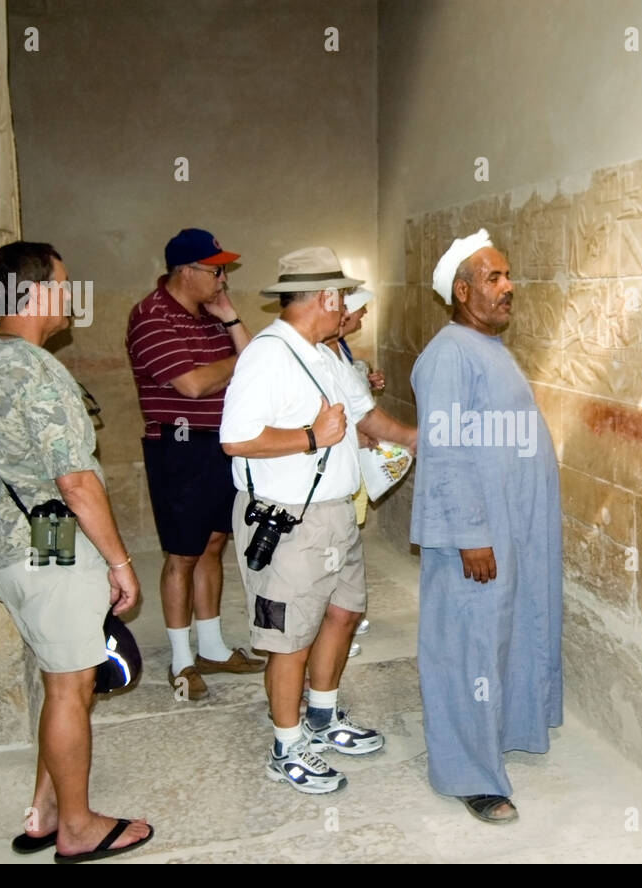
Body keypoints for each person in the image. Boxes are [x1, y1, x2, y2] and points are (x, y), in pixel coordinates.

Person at [0, 240, 153, 862]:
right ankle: (77, 829)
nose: (71, 298)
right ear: (37, 292)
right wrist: (120, 564)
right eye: (64, 285)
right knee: (73, 688)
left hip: (17, 550)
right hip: (53, 554)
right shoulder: (38, 370)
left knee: (63, 680)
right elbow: (75, 482)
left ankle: (45, 811)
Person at [220, 247, 416, 795]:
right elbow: (235, 438)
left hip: (333, 513)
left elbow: (362, 415)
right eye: (344, 298)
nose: (347, 308)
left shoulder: (323, 353)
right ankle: (286, 746)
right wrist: (311, 437)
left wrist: (412, 438)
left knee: (342, 612)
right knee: (288, 637)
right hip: (286, 521)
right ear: (326, 298)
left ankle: (323, 717)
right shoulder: (268, 355)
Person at [410, 229, 563, 824]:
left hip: (511, 526)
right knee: (466, 647)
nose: (509, 287)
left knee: (505, 635)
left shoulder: (487, 347)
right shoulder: (449, 354)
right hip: (477, 535)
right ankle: (468, 775)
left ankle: (499, 735)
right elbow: (445, 455)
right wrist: (471, 535)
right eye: (495, 278)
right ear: (462, 288)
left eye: (507, 276)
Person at [125, 228, 264, 700]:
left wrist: (230, 323)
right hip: (178, 448)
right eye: (215, 270)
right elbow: (192, 385)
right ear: (185, 271)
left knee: (213, 544)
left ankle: (212, 648)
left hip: (218, 444)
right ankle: (181, 662)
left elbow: (255, 367)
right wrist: (238, 358)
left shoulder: (210, 317)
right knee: (182, 554)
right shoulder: (151, 316)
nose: (223, 279)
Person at [324, 287, 397, 658]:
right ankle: (335, 623)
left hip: (348, 462)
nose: (363, 317)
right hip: (335, 466)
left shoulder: (340, 349)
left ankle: (345, 615)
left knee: (348, 539)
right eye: (360, 311)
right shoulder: (323, 349)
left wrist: (365, 383)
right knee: (336, 546)